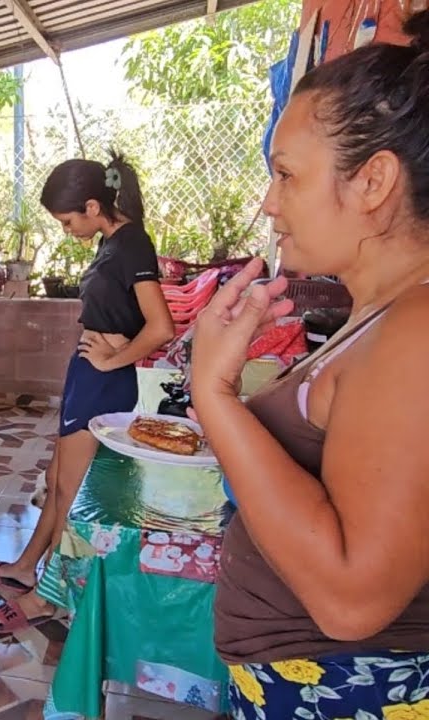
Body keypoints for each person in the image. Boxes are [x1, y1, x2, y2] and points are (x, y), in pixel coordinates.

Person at [187, 14, 429, 717]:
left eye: (286, 174)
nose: (270, 202)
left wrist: (215, 394)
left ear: (373, 181)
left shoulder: (416, 330)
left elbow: (353, 598)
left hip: (345, 694)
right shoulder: (382, 313)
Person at [0, 152, 175, 633]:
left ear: (92, 205)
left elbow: (160, 326)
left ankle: (51, 596)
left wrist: (111, 357)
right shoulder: (113, 242)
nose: (66, 229)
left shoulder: (131, 245)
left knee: (71, 491)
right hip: (90, 375)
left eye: (67, 220)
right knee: (58, 476)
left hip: (103, 379)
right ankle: (27, 569)